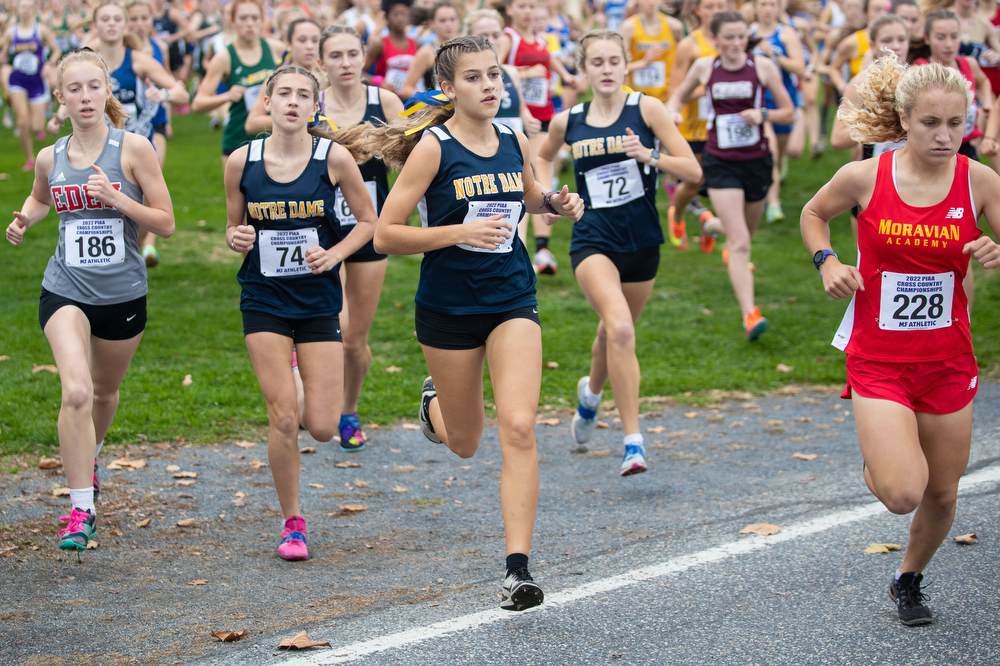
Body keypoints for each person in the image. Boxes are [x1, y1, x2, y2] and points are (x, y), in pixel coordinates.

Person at [370, 36, 583, 610]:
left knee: (518, 427)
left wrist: (556, 204)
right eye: (474, 77)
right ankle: (434, 406)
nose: (490, 85)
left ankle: (518, 569)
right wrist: (458, 232)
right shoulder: (434, 149)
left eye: (495, 75)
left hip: (512, 298)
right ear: (449, 89)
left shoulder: (514, 137)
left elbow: (529, 196)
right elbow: (386, 235)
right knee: (465, 442)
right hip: (448, 308)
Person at [800, 53, 1000, 626]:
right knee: (902, 493)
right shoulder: (867, 176)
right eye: (931, 123)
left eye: (955, 124)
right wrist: (827, 261)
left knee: (942, 496)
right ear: (904, 120)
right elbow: (814, 213)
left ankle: (907, 577)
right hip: (880, 360)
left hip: (947, 360)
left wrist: (994, 249)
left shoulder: (979, 181)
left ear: (969, 123)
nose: (944, 136)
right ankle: (881, 463)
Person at [5, 49, 175, 551]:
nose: (85, 97)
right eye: (74, 89)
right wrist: (25, 218)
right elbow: (41, 196)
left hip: (123, 293)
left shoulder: (134, 149)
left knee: (102, 394)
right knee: (76, 391)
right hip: (65, 289)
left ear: (107, 91)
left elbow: (165, 222)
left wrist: (119, 199)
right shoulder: (49, 156)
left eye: (93, 87)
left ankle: (90, 454)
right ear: (60, 97)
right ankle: (82, 509)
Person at [224, 65, 378, 560]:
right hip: (264, 298)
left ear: (316, 106)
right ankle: (293, 523)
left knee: (323, 426)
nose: (292, 102)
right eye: (283, 93)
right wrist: (237, 237)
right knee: (284, 419)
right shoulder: (239, 161)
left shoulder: (333, 158)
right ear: (267, 101)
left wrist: (335, 255)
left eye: (303, 95)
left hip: (316, 302)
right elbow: (233, 229)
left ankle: (299, 369)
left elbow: (370, 221)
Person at [537, 30, 701, 475]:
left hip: (642, 241)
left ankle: (590, 397)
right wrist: (549, 197)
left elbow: (693, 170)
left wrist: (650, 155)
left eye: (614, 61)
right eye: (597, 62)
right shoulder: (567, 121)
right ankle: (633, 443)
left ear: (626, 66)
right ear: (585, 69)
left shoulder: (647, 109)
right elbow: (542, 155)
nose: (606, 69)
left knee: (611, 334)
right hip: (592, 239)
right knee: (622, 329)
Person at [667, 11, 794, 341]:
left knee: (744, 235)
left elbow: (788, 111)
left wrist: (762, 113)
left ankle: (709, 225)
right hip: (720, 160)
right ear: (717, 39)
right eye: (729, 38)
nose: (736, 44)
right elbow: (678, 95)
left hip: (757, 161)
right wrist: (673, 111)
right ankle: (750, 314)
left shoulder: (762, 67)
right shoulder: (705, 67)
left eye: (741, 37)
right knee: (739, 244)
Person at [316, 25, 404, 451]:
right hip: (322, 229)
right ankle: (315, 396)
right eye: (335, 56)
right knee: (337, 323)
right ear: (322, 64)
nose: (346, 63)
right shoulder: (312, 106)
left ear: (363, 59)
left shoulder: (384, 101)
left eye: (352, 54)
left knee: (354, 340)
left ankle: (348, 410)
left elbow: (411, 157)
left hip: (370, 228)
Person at [500, 0, 577, 276]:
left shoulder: (541, 37)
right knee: (526, 180)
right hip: (520, 119)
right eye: (522, 6)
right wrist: (525, 73)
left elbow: (549, 60)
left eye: (531, 6)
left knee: (544, 174)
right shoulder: (509, 38)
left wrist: (567, 76)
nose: (528, 11)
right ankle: (518, 244)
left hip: (543, 114)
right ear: (510, 10)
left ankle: (543, 248)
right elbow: (495, 72)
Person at [665, 0, 727, 251]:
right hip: (695, 126)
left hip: (727, 128)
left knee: (728, 185)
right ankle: (677, 215)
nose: (716, 11)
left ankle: (733, 248)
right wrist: (710, 89)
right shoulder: (689, 45)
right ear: (698, 10)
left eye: (721, 6)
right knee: (695, 181)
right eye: (710, 6)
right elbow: (676, 91)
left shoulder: (733, 41)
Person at [192, 0, 283, 169]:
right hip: (238, 139)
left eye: (255, 18)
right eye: (243, 18)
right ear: (232, 21)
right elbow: (198, 104)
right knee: (239, 195)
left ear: (263, 19)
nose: (249, 24)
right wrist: (227, 96)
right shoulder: (224, 57)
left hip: (273, 138)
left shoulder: (275, 48)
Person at [915, 9, 1000, 162]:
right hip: (935, 149)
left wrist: (987, 102)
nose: (949, 44)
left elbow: (983, 81)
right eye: (941, 37)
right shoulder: (920, 71)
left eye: (954, 37)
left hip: (966, 147)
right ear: (926, 38)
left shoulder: (969, 63)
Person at [127, 0, 174, 267]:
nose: (139, 24)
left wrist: (167, 116)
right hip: (127, 125)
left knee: (153, 179)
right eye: (133, 19)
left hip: (154, 121)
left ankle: (149, 242)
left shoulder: (159, 47)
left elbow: (166, 79)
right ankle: (135, 242)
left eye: (144, 18)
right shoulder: (123, 51)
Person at [750, 0, 806, 224]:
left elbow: (799, 67)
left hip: (783, 101)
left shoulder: (786, 34)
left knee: (784, 153)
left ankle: (779, 169)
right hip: (758, 102)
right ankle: (773, 204)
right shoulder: (749, 33)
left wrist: (773, 55)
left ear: (779, 7)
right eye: (763, 4)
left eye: (772, 4)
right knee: (770, 153)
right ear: (755, 7)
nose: (767, 9)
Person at [1, 0, 61, 171]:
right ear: (18, 10)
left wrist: (49, 63)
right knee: (22, 121)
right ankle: (29, 158)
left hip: (37, 80)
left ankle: (38, 127)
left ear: (34, 10)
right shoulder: (11, 32)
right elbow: (5, 53)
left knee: (36, 125)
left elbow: (55, 50)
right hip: (18, 79)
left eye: (29, 7)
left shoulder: (41, 30)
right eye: (23, 7)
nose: (26, 11)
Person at [465, 8, 539, 137]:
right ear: (468, 37)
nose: (491, 41)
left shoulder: (511, 72)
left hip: (512, 146)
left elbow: (523, 111)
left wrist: (530, 122)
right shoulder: (464, 76)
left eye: (496, 35)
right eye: (483, 36)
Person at [244, 17, 323, 136]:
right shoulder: (277, 79)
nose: (309, 46)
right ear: (288, 44)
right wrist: (292, 118)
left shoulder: (328, 78)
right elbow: (251, 123)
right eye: (302, 40)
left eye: (315, 40)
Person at [621, 0, 684, 103]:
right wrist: (644, 62)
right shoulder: (628, 27)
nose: (651, 2)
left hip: (667, 98)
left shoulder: (675, 26)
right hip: (637, 98)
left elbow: (683, 63)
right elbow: (621, 66)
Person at [401, 1, 460, 100]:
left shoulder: (463, 48)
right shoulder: (427, 52)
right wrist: (433, 100)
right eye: (442, 20)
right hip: (438, 111)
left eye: (452, 19)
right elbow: (406, 89)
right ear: (432, 23)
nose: (449, 24)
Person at [363, 0, 417, 96]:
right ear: (387, 17)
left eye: (404, 14)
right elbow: (360, 72)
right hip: (386, 99)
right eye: (395, 14)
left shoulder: (416, 43)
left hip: (410, 101)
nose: (400, 18)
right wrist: (378, 81)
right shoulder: (380, 44)